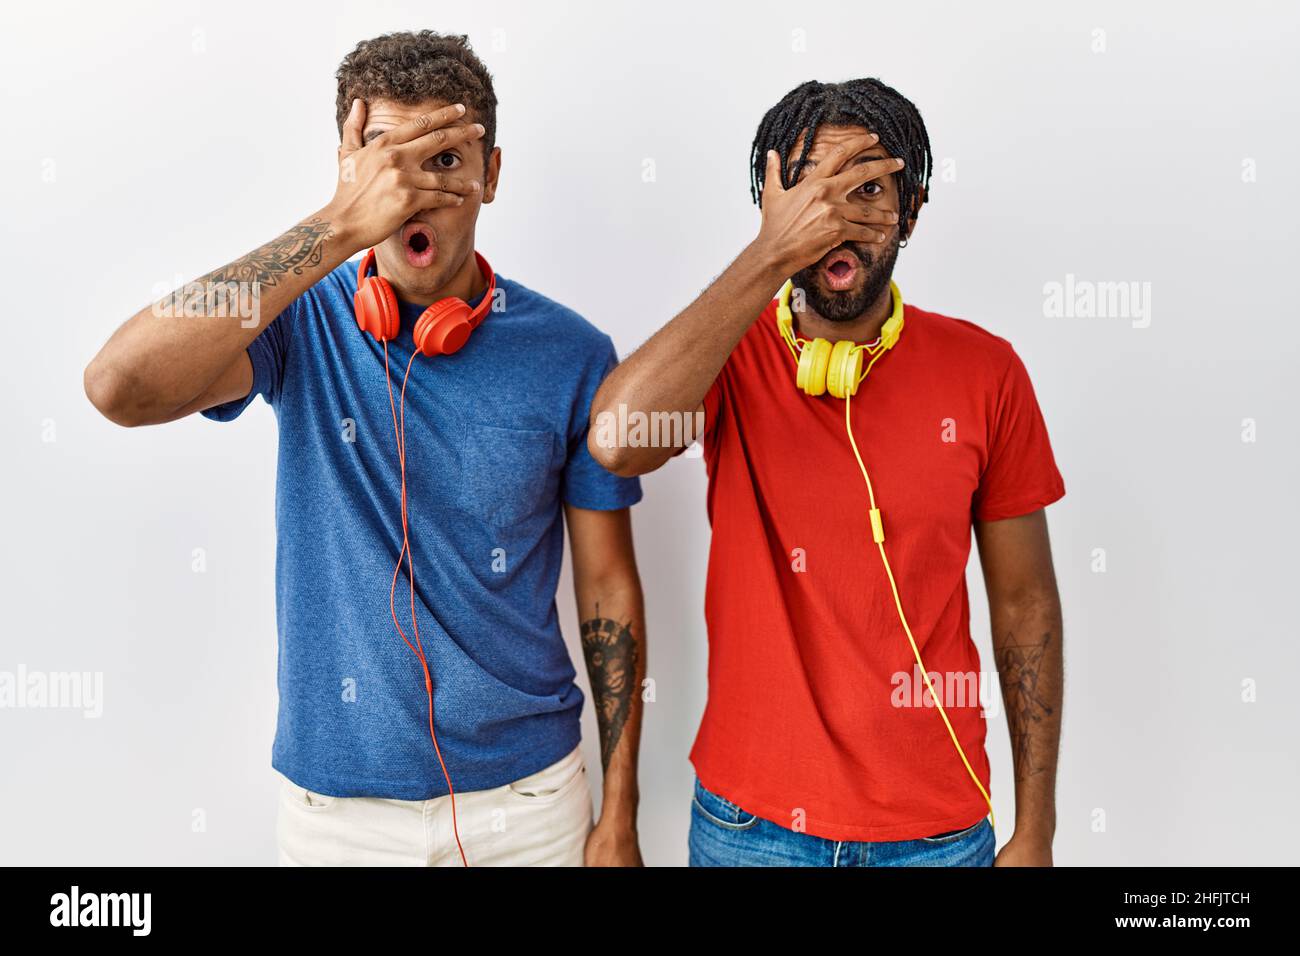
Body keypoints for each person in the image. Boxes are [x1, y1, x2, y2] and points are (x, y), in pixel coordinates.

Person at [84, 31, 646, 867]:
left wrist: (620, 810)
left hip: (529, 805)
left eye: (446, 163)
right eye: (389, 164)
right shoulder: (297, 322)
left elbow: (606, 582)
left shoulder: (573, 353)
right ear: (351, 170)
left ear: (493, 174)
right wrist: (337, 223)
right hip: (338, 817)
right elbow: (117, 386)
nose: (414, 197)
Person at [590, 78, 1065, 867]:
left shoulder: (989, 373)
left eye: (869, 189)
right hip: (750, 831)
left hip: (937, 834)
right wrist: (770, 254)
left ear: (910, 211)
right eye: (811, 189)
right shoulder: (725, 358)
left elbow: (1026, 602)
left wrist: (1037, 828)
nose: (837, 217)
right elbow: (615, 440)